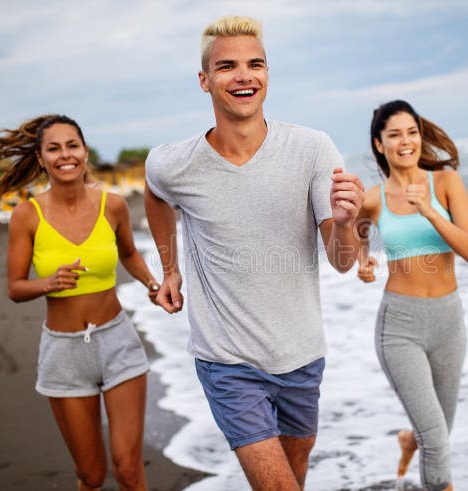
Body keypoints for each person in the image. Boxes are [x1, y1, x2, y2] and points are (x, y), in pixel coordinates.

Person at [144, 15, 365, 491]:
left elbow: (343, 261)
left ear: (267, 74)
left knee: (295, 469)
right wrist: (169, 268)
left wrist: (347, 224)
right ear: (205, 80)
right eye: (227, 66)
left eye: (255, 64)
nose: (244, 75)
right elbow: (155, 193)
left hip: (302, 353)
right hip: (227, 362)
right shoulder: (173, 162)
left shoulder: (312, 149)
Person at [0, 114, 159, 491]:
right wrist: (48, 283)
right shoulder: (27, 216)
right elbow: (15, 287)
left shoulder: (114, 206)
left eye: (72, 145)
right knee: (90, 476)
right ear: (41, 159)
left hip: (118, 343)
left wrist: (154, 283)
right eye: (53, 148)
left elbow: (130, 255)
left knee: (128, 470)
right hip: (64, 353)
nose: (65, 155)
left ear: (85, 151)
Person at [355, 100, 468, 491]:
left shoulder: (445, 182)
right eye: (395, 135)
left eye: (411, 132)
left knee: (437, 431)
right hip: (400, 326)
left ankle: (408, 440)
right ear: (380, 144)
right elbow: (356, 231)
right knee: (437, 441)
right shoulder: (374, 198)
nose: (405, 141)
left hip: (448, 322)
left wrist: (429, 210)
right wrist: (363, 260)